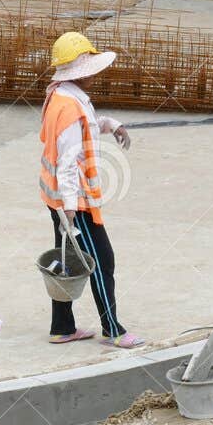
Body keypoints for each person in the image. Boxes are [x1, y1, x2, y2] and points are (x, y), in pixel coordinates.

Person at [40, 31, 141, 349]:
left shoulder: (60, 95)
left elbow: (83, 126)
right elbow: (69, 158)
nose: (98, 73)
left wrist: (110, 124)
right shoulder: (69, 106)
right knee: (100, 261)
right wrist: (71, 208)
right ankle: (113, 329)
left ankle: (62, 327)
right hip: (75, 202)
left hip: (57, 197)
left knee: (68, 259)